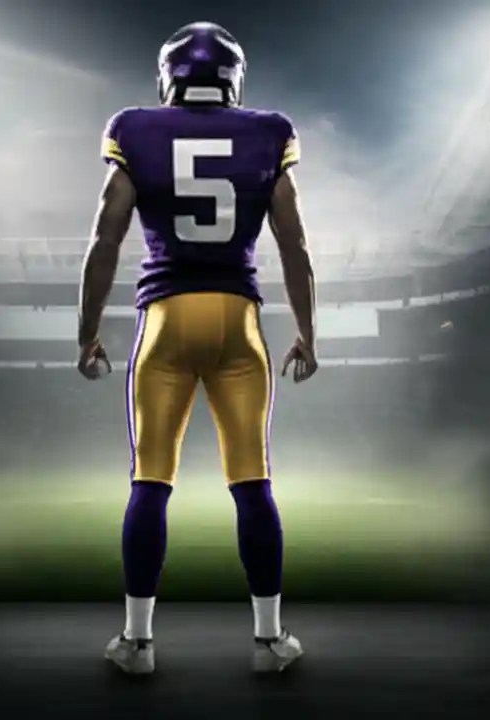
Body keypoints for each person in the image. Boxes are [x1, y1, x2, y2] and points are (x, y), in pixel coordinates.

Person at [76, 21, 318, 675]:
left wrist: (87, 330)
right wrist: (308, 332)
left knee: (150, 480)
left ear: (169, 76)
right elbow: (293, 243)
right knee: (252, 481)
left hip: (165, 319)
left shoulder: (134, 126)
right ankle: (269, 642)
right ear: (235, 79)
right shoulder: (269, 129)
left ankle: (137, 642)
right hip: (239, 322)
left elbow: (106, 237)